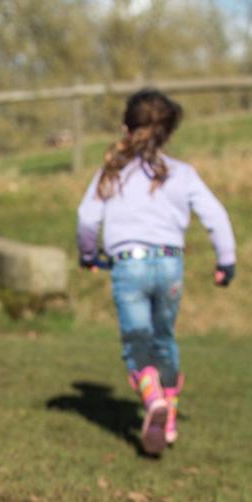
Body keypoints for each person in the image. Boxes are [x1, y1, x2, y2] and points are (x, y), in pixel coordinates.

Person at [76, 88, 236, 457]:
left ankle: (154, 403)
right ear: (166, 133)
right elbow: (216, 215)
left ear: (125, 128)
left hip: (128, 266)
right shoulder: (182, 173)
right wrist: (225, 261)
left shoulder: (112, 171)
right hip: (169, 265)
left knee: (137, 342)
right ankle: (171, 415)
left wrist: (88, 253)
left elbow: (87, 217)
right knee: (164, 339)